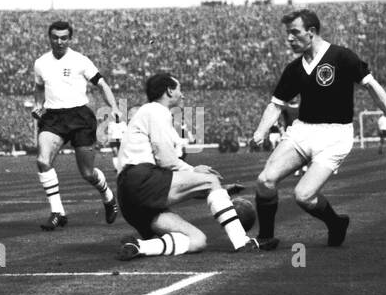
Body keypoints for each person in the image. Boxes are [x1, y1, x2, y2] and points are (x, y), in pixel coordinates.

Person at [250, 10, 386, 249]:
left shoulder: (341, 56)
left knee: (303, 196)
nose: (289, 39)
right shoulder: (294, 69)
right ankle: (266, 237)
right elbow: (276, 105)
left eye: (294, 32)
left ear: (312, 32)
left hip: (335, 135)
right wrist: (260, 131)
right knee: (265, 181)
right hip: (303, 130)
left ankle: (336, 223)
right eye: (287, 34)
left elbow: (372, 86)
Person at [116, 73, 257, 260]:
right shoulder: (156, 110)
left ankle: (140, 246)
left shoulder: (148, 112)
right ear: (169, 90)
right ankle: (242, 242)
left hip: (130, 198)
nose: (183, 94)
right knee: (209, 179)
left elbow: (172, 181)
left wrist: (216, 190)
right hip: (140, 179)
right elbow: (166, 160)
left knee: (197, 240)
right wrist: (195, 173)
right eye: (179, 89)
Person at [30, 20, 120, 230]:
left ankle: (108, 197)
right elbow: (38, 87)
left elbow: (102, 84)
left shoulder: (81, 60)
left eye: (64, 38)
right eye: (55, 37)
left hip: (80, 117)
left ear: (69, 39)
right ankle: (57, 212)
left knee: (87, 173)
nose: (59, 41)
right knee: (43, 161)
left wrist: (114, 106)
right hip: (53, 118)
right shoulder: (41, 63)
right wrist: (37, 104)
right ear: (49, 38)